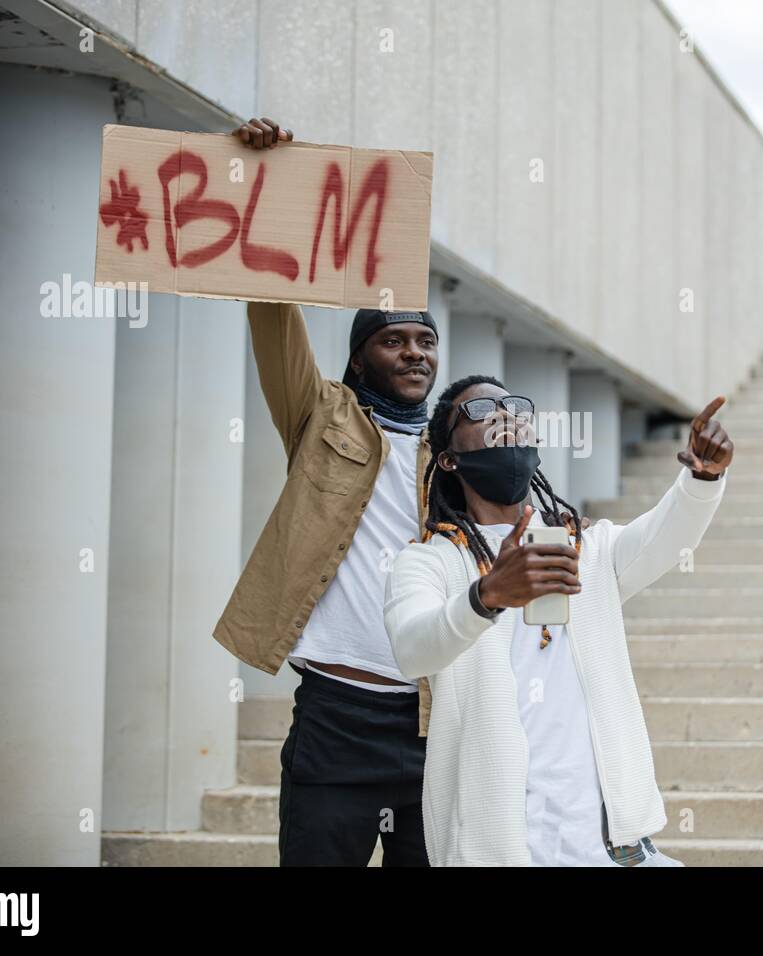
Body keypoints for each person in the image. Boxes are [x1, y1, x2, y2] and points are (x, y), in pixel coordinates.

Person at [382, 374, 733, 866]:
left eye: (516, 408)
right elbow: (411, 649)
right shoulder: (428, 563)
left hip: (617, 851)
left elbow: (667, 538)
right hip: (501, 852)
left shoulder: (584, 547)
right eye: (482, 411)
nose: (505, 416)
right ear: (448, 459)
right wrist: (486, 596)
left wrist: (702, 480)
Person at [212, 117, 439, 866]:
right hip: (334, 720)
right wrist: (267, 180)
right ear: (361, 355)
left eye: (424, 340)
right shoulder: (321, 416)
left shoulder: (457, 449)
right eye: (393, 339)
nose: (413, 352)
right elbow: (272, 307)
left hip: (432, 722)